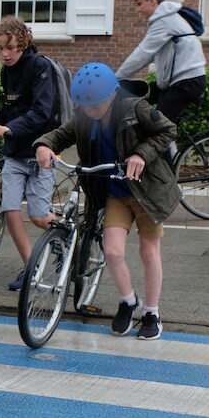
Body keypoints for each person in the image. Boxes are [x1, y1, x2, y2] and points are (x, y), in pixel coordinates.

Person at [32, 63, 180, 340]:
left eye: (94, 107)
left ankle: (152, 312)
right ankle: (128, 301)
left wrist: (140, 154)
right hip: (115, 194)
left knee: (149, 253)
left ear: (111, 97)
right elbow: (63, 133)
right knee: (112, 252)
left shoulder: (136, 109)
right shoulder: (86, 113)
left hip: (146, 192)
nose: (88, 112)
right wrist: (43, 144)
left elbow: (167, 130)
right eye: (84, 107)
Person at [0, 16, 58, 291]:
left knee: (39, 217)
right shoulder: (7, 71)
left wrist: (9, 127)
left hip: (39, 151)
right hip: (15, 154)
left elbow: (41, 112)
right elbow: (12, 105)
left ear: (23, 43)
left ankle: (65, 233)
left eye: (11, 47)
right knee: (10, 210)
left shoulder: (40, 67)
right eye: (1, 48)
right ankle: (32, 269)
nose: (5, 54)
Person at [116, 0, 206, 125]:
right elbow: (150, 56)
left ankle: (163, 145)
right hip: (178, 81)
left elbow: (143, 54)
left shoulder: (164, 21)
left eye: (140, 4)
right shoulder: (168, 19)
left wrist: (116, 78)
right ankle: (168, 145)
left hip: (186, 83)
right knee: (139, 98)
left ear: (152, 1)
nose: (138, 9)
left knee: (157, 127)